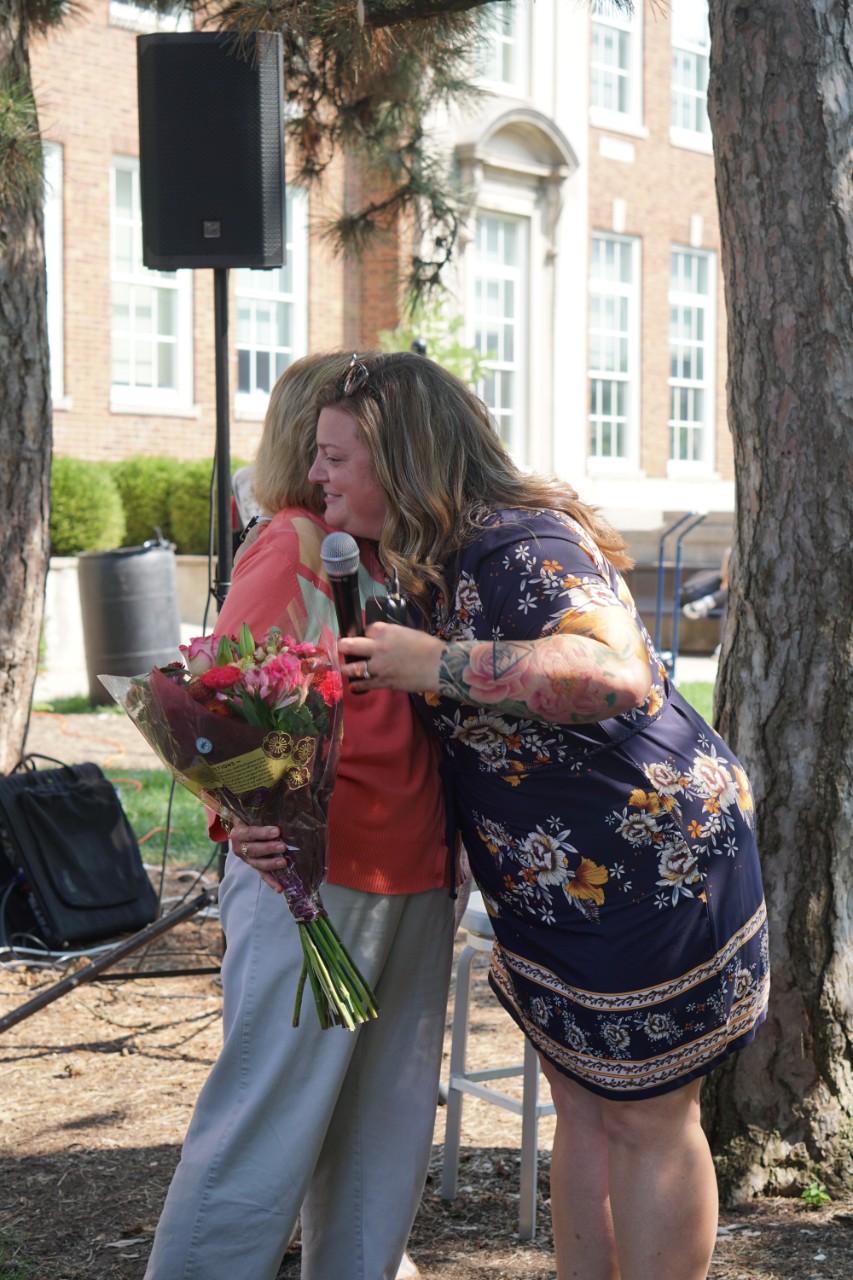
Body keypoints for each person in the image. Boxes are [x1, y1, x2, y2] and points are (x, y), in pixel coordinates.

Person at [248, 351, 769, 1280]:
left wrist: (436, 666)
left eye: (335, 457)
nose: (314, 474)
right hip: (546, 879)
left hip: (653, 864)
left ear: (403, 458)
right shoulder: (410, 560)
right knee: (581, 1108)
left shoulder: (519, 544)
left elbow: (614, 676)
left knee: (647, 1116)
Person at [143, 352, 456, 1280]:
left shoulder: (388, 548)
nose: (328, 469)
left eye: (345, 450)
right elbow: (218, 704)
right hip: (316, 876)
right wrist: (235, 815)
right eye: (323, 447)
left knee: (381, 1136)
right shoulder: (289, 539)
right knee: (265, 1125)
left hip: (416, 872)